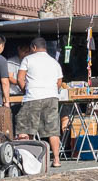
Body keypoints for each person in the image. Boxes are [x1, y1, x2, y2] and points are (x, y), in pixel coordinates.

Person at [16, 36, 64, 167]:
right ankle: (56, 160)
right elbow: (59, 82)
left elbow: (20, 78)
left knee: (27, 127)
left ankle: (29, 159)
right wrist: (52, 90)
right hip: (51, 97)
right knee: (53, 130)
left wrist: (25, 89)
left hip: (33, 97)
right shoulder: (54, 62)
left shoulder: (28, 59)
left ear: (34, 47)